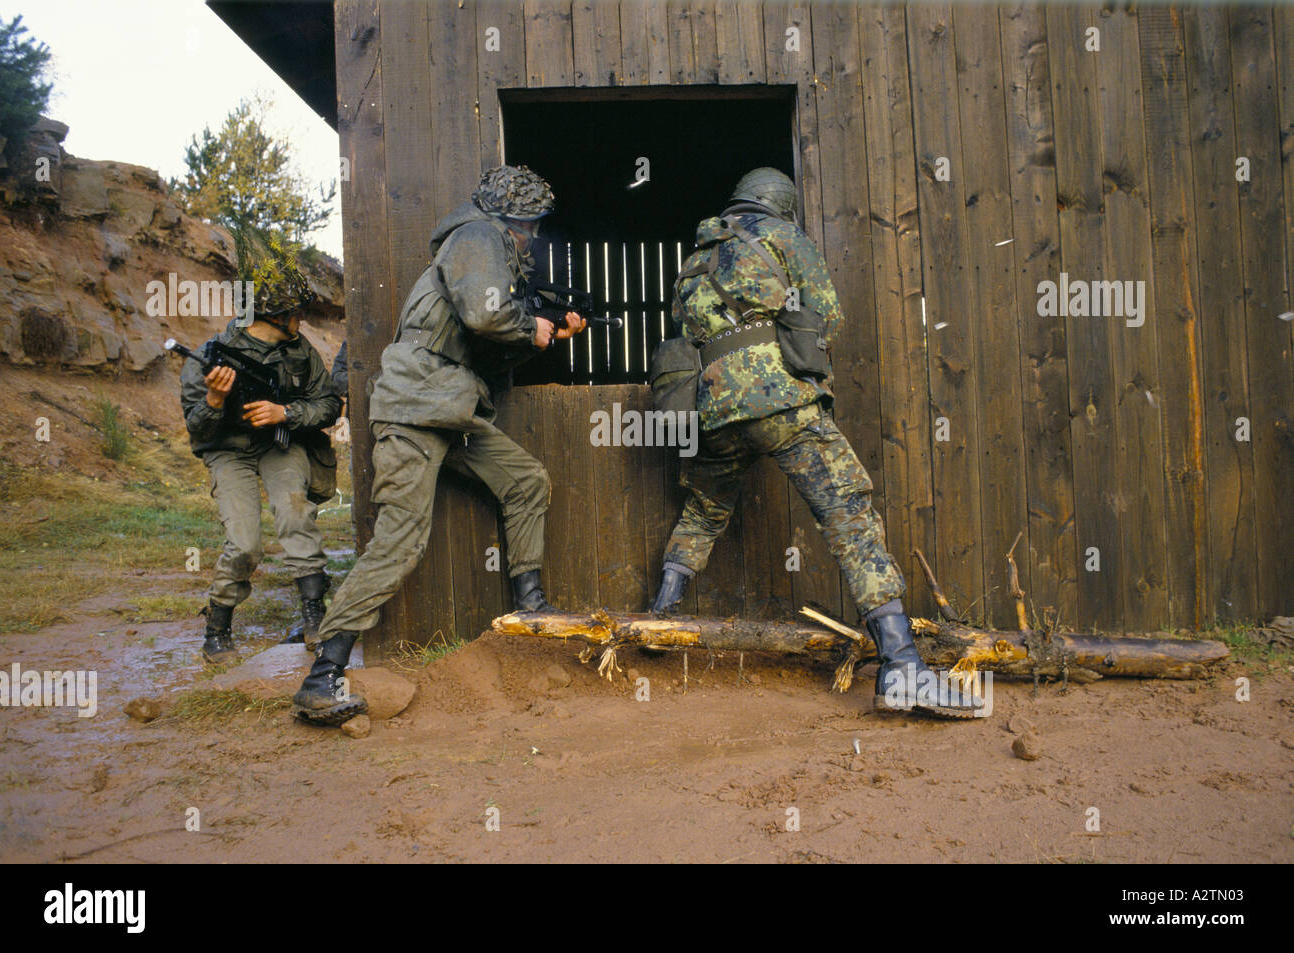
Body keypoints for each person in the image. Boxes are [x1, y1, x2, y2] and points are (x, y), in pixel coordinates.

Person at [649, 168, 981, 718]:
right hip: (779, 402)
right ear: (780, 205)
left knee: (706, 509)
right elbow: (826, 313)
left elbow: (685, 341)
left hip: (711, 411)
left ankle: (657, 620)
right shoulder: (782, 237)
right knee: (848, 515)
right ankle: (902, 667)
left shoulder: (695, 259)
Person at [291, 165, 586, 726]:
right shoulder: (476, 236)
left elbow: (484, 349)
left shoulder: (482, 249)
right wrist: (532, 326)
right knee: (401, 541)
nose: (533, 238)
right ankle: (322, 676)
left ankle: (530, 606)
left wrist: (546, 335)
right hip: (414, 410)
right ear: (511, 220)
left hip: (450, 410)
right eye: (530, 227)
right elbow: (484, 315)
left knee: (526, 482)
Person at [179, 252, 341, 664]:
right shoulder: (211, 355)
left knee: (295, 514)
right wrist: (215, 399)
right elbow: (198, 429)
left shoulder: (299, 351)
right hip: (229, 450)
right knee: (245, 543)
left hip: (278, 442)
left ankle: (313, 615)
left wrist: (285, 413)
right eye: (296, 312)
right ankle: (217, 626)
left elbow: (328, 404)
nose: (301, 319)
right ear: (273, 315)